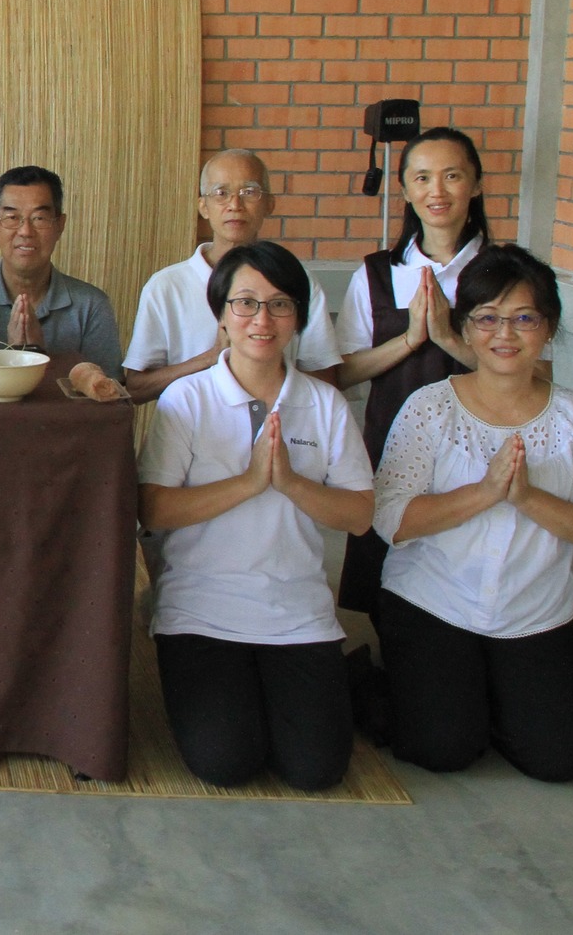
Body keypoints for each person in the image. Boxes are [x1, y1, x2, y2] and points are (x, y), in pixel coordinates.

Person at [370, 245, 573, 782]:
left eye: (524, 318)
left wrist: (527, 497)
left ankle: (486, 697)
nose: (505, 334)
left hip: (534, 613)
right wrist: (486, 492)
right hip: (433, 602)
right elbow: (391, 518)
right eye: (487, 318)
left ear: (549, 327)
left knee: (563, 762)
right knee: (442, 750)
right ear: (464, 328)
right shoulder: (429, 407)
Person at [138, 241, 375, 790]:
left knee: (316, 770)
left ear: (299, 318)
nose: (261, 320)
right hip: (201, 607)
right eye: (245, 303)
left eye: (279, 305)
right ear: (221, 315)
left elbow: (360, 515)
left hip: (297, 610)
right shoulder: (186, 399)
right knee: (226, 761)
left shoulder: (324, 404)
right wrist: (249, 483)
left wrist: (291, 482)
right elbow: (154, 508)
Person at [333, 127, 509, 615]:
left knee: (473, 588)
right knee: (387, 588)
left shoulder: (505, 274)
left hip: (481, 457)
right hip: (392, 451)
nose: (437, 191)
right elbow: (342, 373)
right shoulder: (376, 273)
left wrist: (450, 338)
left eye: (452, 176)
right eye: (423, 178)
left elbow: (537, 376)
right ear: (406, 190)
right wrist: (409, 340)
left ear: (476, 184)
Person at [124, 150, 339, 404]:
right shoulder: (167, 286)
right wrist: (212, 356)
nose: (235, 205)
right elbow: (136, 389)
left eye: (249, 192)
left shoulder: (297, 281)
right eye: (221, 193)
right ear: (203, 207)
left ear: (269, 204)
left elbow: (325, 381)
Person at [0, 166, 121, 374]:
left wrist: (36, 355)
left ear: (60, 225)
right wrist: (13, 358)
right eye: (12, 217)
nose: (25, 231)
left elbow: (108, 390)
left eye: (39, 218)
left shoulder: (91, 306)